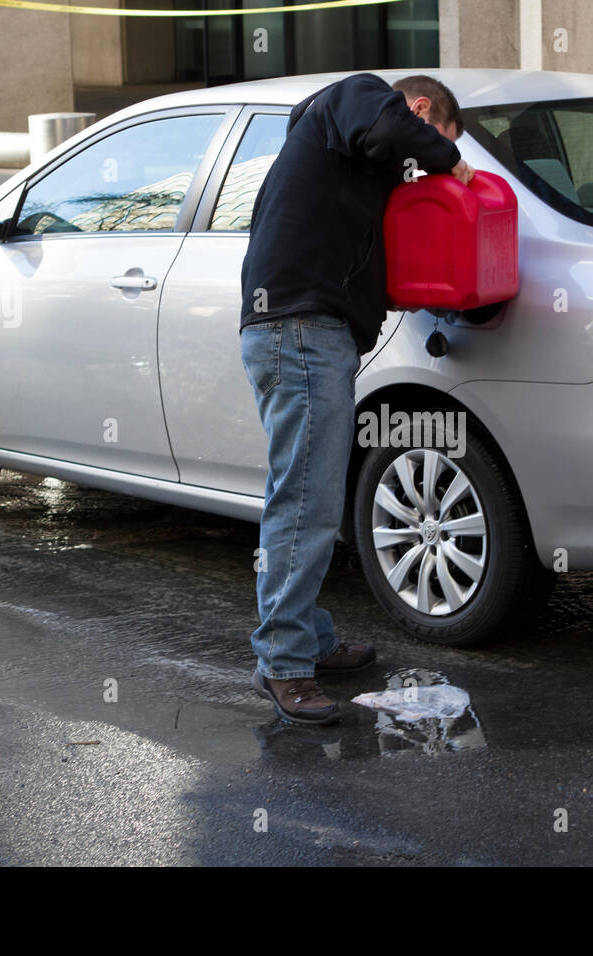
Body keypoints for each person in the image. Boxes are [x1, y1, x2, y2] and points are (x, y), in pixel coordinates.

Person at [240, 73, 474, 725]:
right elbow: (391, 130)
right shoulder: (358, 98)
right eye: (436, 136)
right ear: (421, 109)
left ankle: (308, 638)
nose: (426, 164)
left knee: (311, 490)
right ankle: (284, 663)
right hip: (300, 329)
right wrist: (453, 162)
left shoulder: (341, 157)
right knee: (304, 496)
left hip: (303, 329)